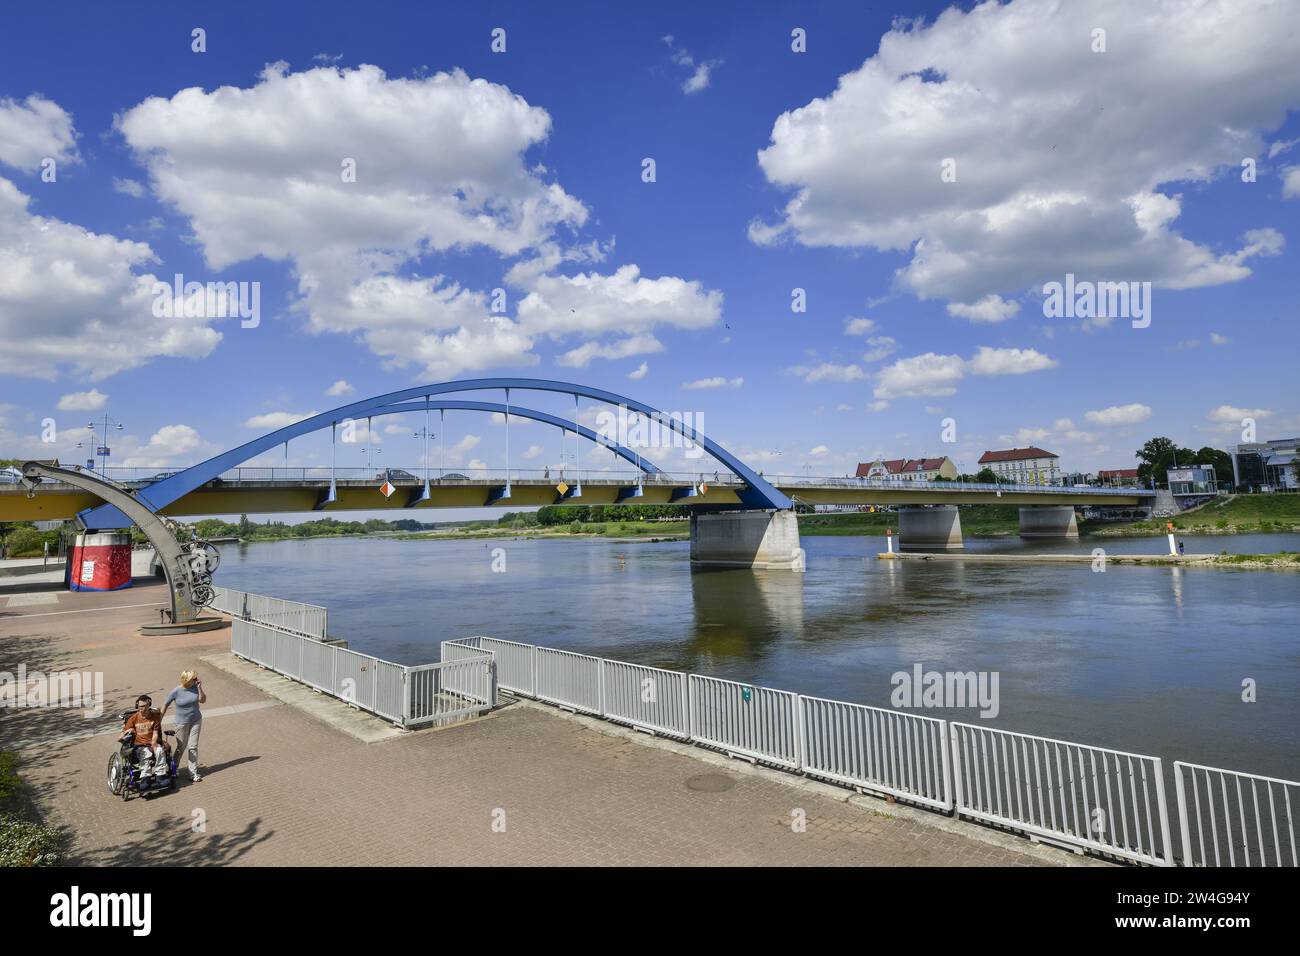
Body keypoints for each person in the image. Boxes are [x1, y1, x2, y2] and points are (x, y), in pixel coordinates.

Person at [162, 670, 206, 782]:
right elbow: (165, 704)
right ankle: (174, 768)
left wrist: (200, 687)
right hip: (181, 723)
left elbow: (203, 700)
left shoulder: (196, 687)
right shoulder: (176, 691)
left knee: (193, 747)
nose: (195, 680)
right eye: (193, 678)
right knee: (181, 747)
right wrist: (159, 720)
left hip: (196, 720)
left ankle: (193, 773)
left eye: (195, 678)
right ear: (186, 680)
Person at [123, 695, 167, 779]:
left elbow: (155, 733)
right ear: (137, 706)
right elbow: (121, 735)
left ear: (149, 705)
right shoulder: (133, 718)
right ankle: (145, 777)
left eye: (145, 706)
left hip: (151, 743)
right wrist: (128, 732)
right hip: (139, 745)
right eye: (141, 706)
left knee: (160, 750)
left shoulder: (155, 717)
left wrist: (154, 743)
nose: (143, 708)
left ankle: (160, 775)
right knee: (146, 752)